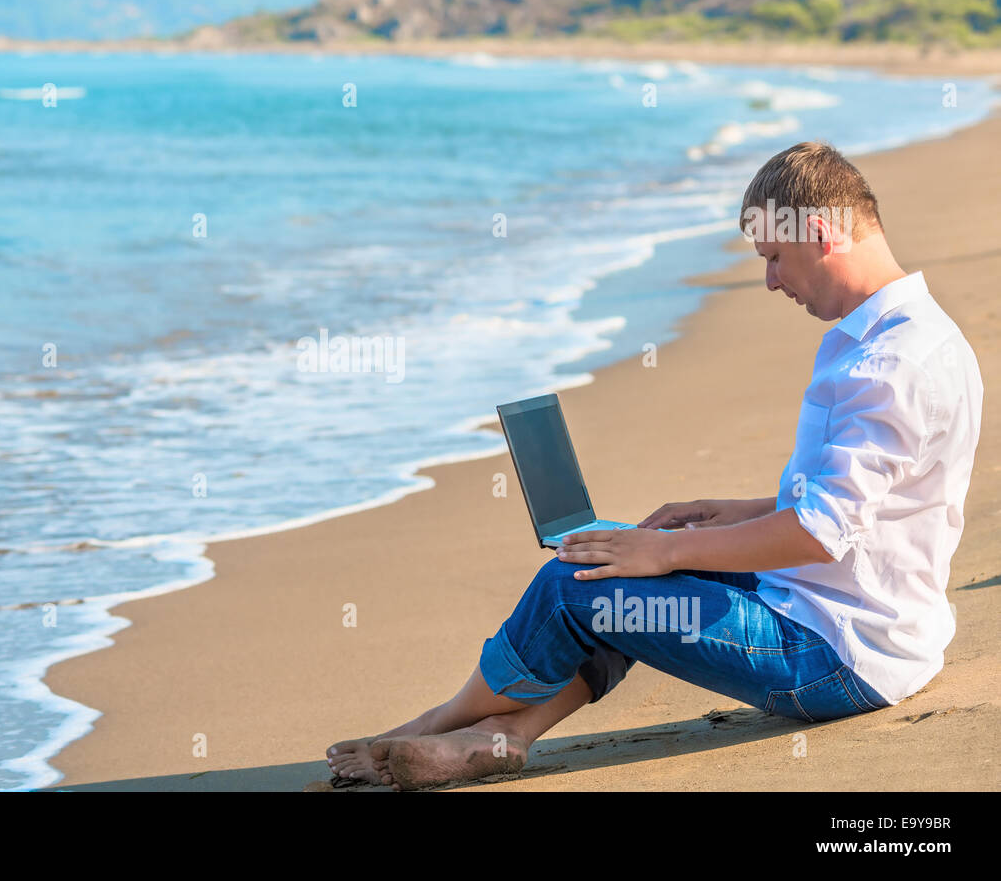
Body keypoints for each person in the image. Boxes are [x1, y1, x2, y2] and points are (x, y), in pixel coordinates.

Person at [326, 141, 984, 790]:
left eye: (775, 257)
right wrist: (725, 515)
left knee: (575, 583)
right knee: (611, 554)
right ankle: (506, 736)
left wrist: (667, 552)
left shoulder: (884, 366)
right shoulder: (915, 338)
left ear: (819, 233)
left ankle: (440, 719)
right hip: (867, 619)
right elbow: (868, 506)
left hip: (831, 652)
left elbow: (820, 532)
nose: (771, 280)